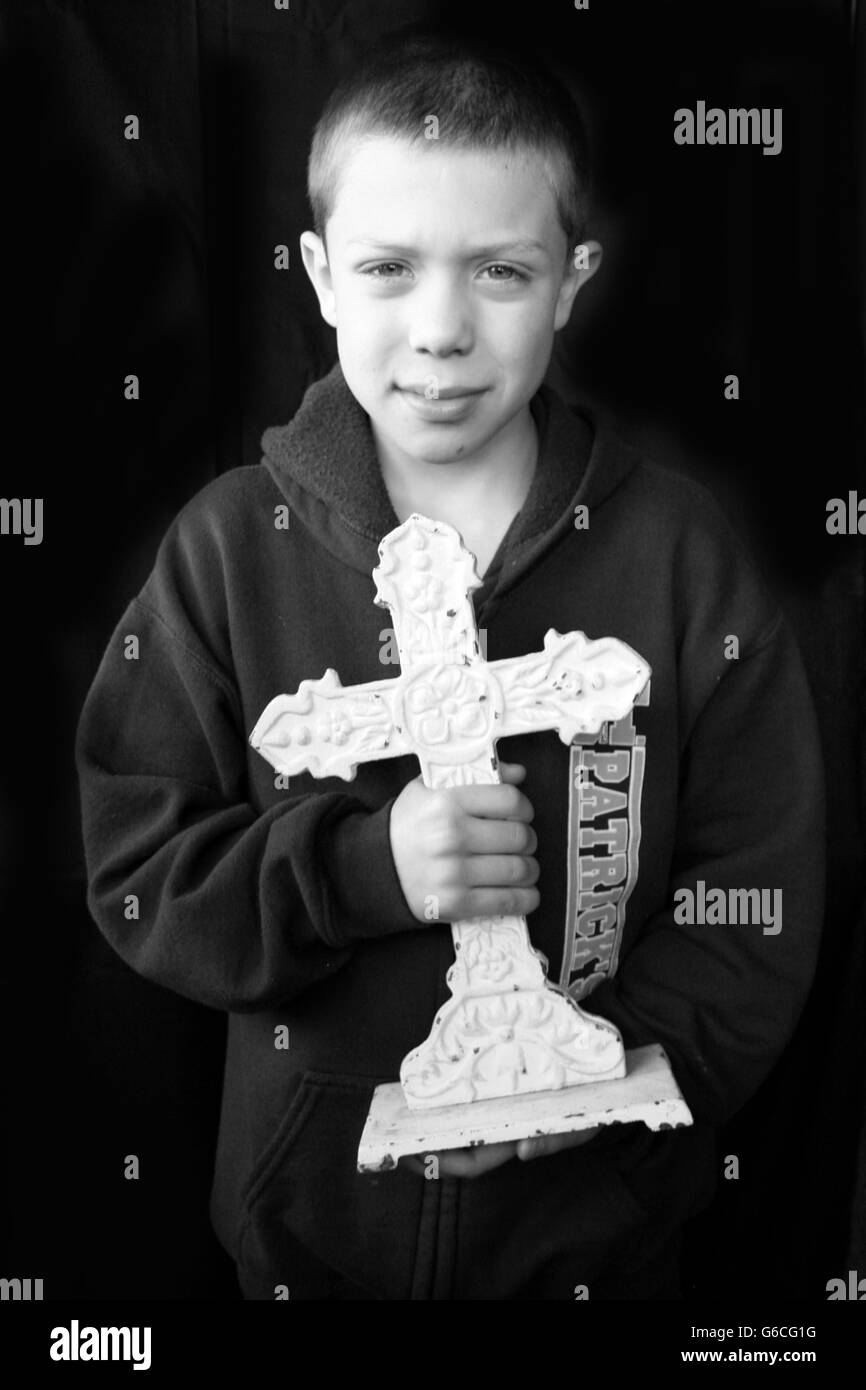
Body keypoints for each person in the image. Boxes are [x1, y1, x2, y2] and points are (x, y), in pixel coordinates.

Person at [75, 28, 825, 1300]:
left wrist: (610, 1072)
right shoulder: (226, 551)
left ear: (571, 281)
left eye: (499, 271)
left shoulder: (677, 554)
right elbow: (139, 868)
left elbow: (756, 884)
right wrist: (360, 871)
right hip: (311, 1245)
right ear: (319, 275)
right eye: (386, 268)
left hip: (597, 1250)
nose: (440, 332)